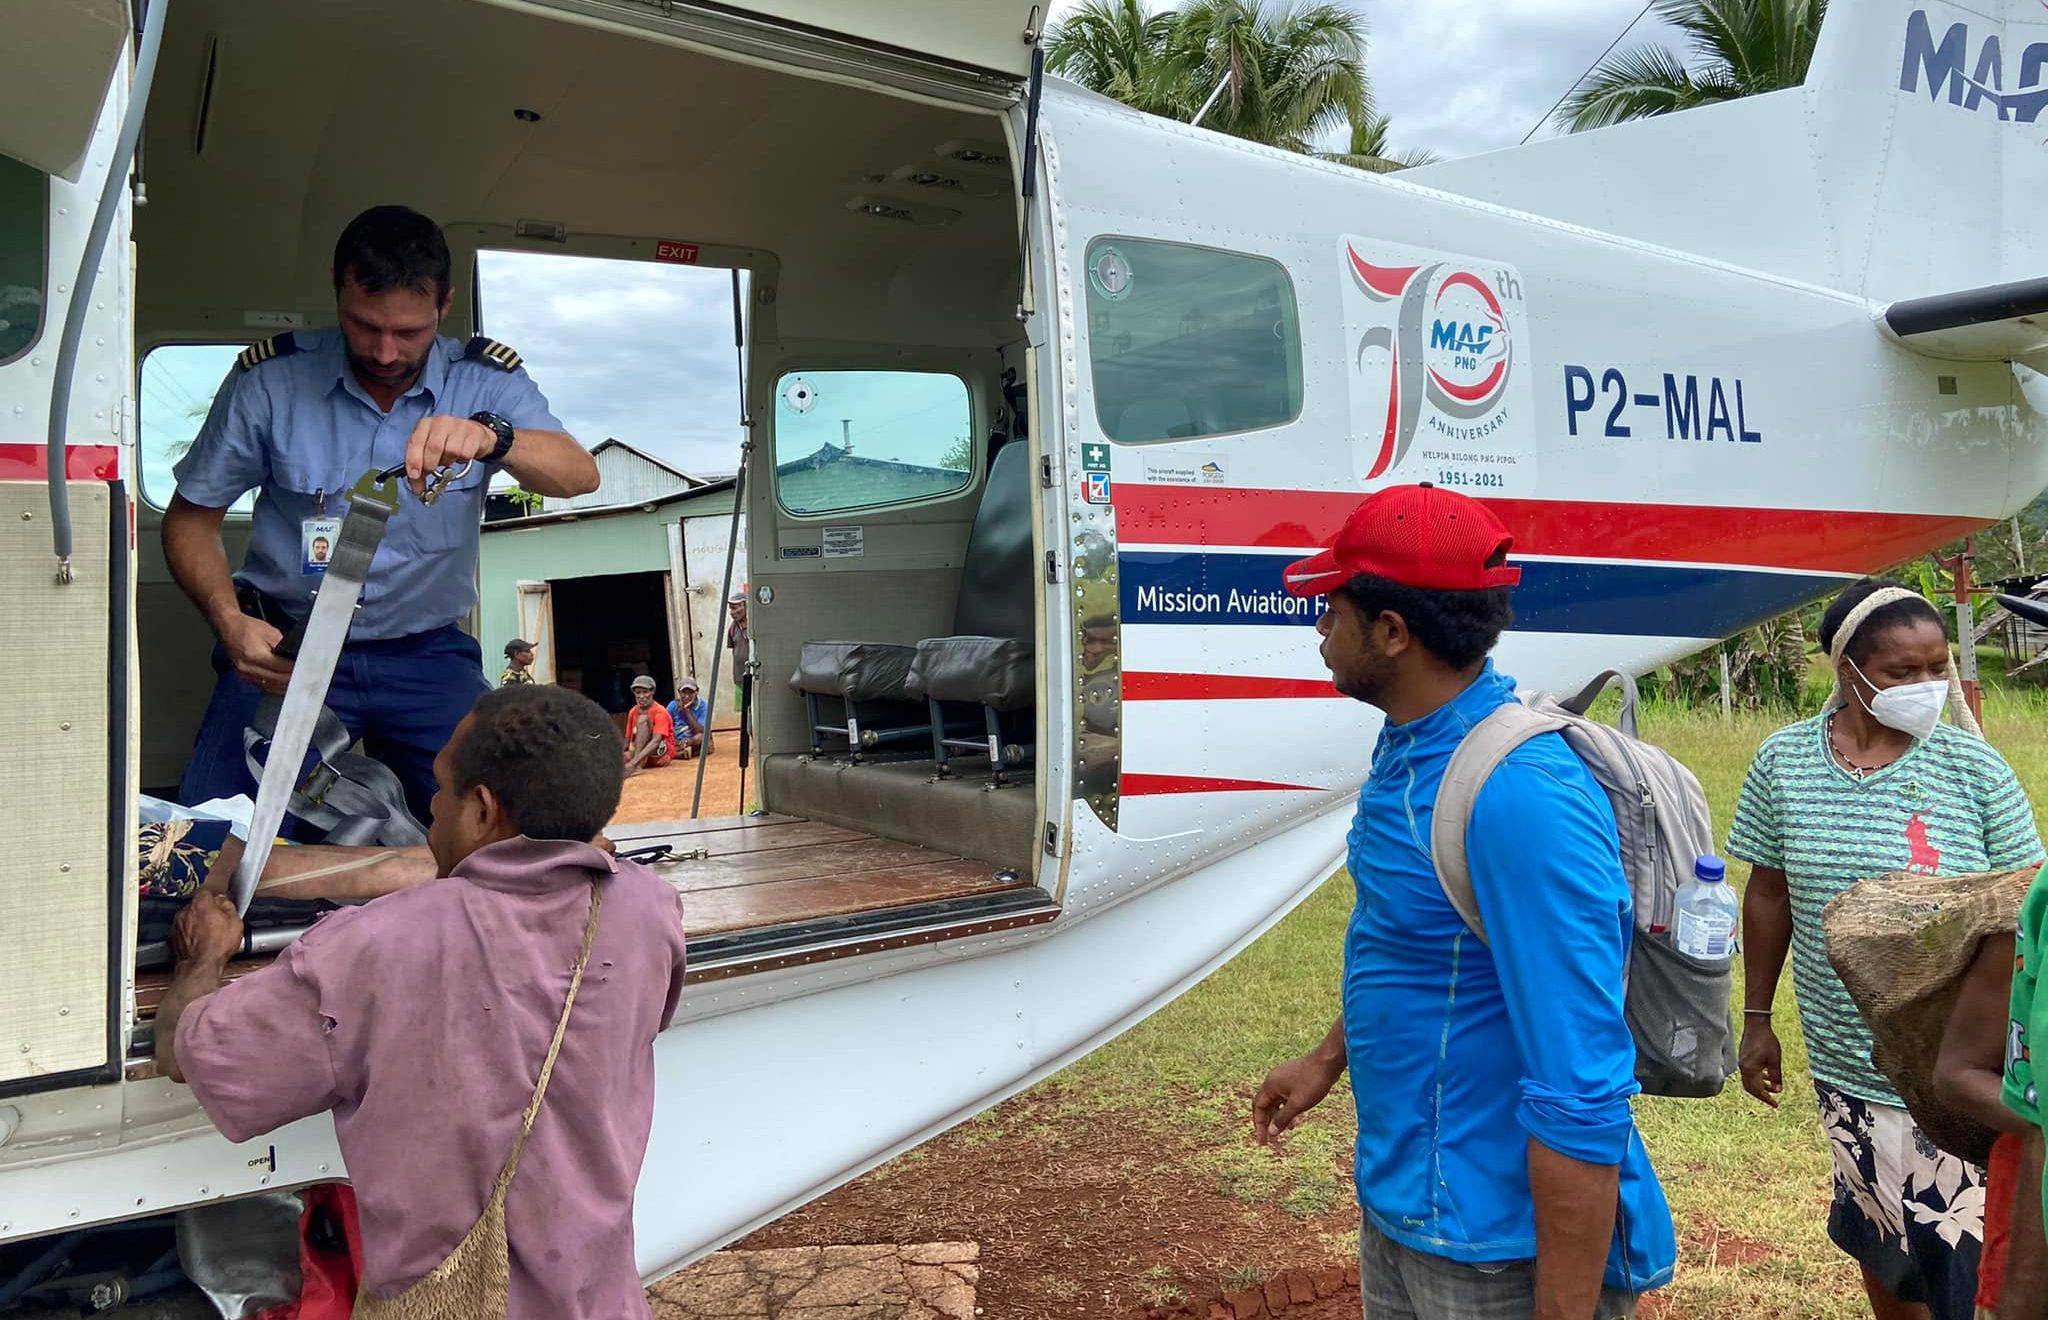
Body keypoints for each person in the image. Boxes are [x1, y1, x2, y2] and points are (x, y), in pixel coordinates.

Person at [1250, 483, 1674, 1319]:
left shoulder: (1519, 795)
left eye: (1331, 609)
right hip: (1408, 1203)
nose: (1320, 630)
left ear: (1393, 632)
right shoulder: (1412, 747)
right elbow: (1407, 942)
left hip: (1502, 1253)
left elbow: (1582, 1090)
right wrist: (1326, 1060)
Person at [156, 684, 688, 1317]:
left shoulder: (372, 947)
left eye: (440, 788)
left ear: (484, 810)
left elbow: (189, 1054)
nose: (429, 806)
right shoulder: (649, 910)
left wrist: (203, 960)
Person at [164, 204, 600, 827]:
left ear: (444, 305)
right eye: (364, 326)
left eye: (410, 332)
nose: (387, 352)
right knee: (207, 842)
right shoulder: (271, 381)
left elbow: (579, 475)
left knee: (511, 827)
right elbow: (189, 521)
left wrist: (493, 438)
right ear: (337, 293)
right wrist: (228, 622)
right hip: (288, 649)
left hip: (427, 657)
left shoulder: (486, 381)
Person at [1731, 579, 2045, 1320]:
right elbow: (1769, 893)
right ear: (1850, 672)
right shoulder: (1785, 764)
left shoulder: (1974, 771)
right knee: (1882, 1243)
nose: (1927, 686)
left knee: (1964, 1273)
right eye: (1904, 672)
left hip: (1956, 1075)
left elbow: (2025, 909)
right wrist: (1755, 1017)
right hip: (1847, 1060)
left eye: (1936, 667)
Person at [625, 675, 675, 774]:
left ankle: (637, 765)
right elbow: (627, 740)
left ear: (652, 691)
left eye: (645, 692)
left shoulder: (660, 711)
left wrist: (633, 762)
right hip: (638, 752)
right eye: (638, 693)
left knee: (643, 720)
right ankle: (637, 762)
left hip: (659, 753)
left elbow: (656, 740)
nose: (641, 696)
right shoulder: (633, 711)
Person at [668, 676, 710, 759]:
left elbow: (701, 731)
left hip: (691, 740)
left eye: (690, 693)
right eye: (684, 693)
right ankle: (680, 752)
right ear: (679, 692)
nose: (687, 696)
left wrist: (686, 711)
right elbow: (665, 726)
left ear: (696, 692)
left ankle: (679, 752)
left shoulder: (703, 706)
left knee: (702, 738)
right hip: (676, 740)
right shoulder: (673, 705)